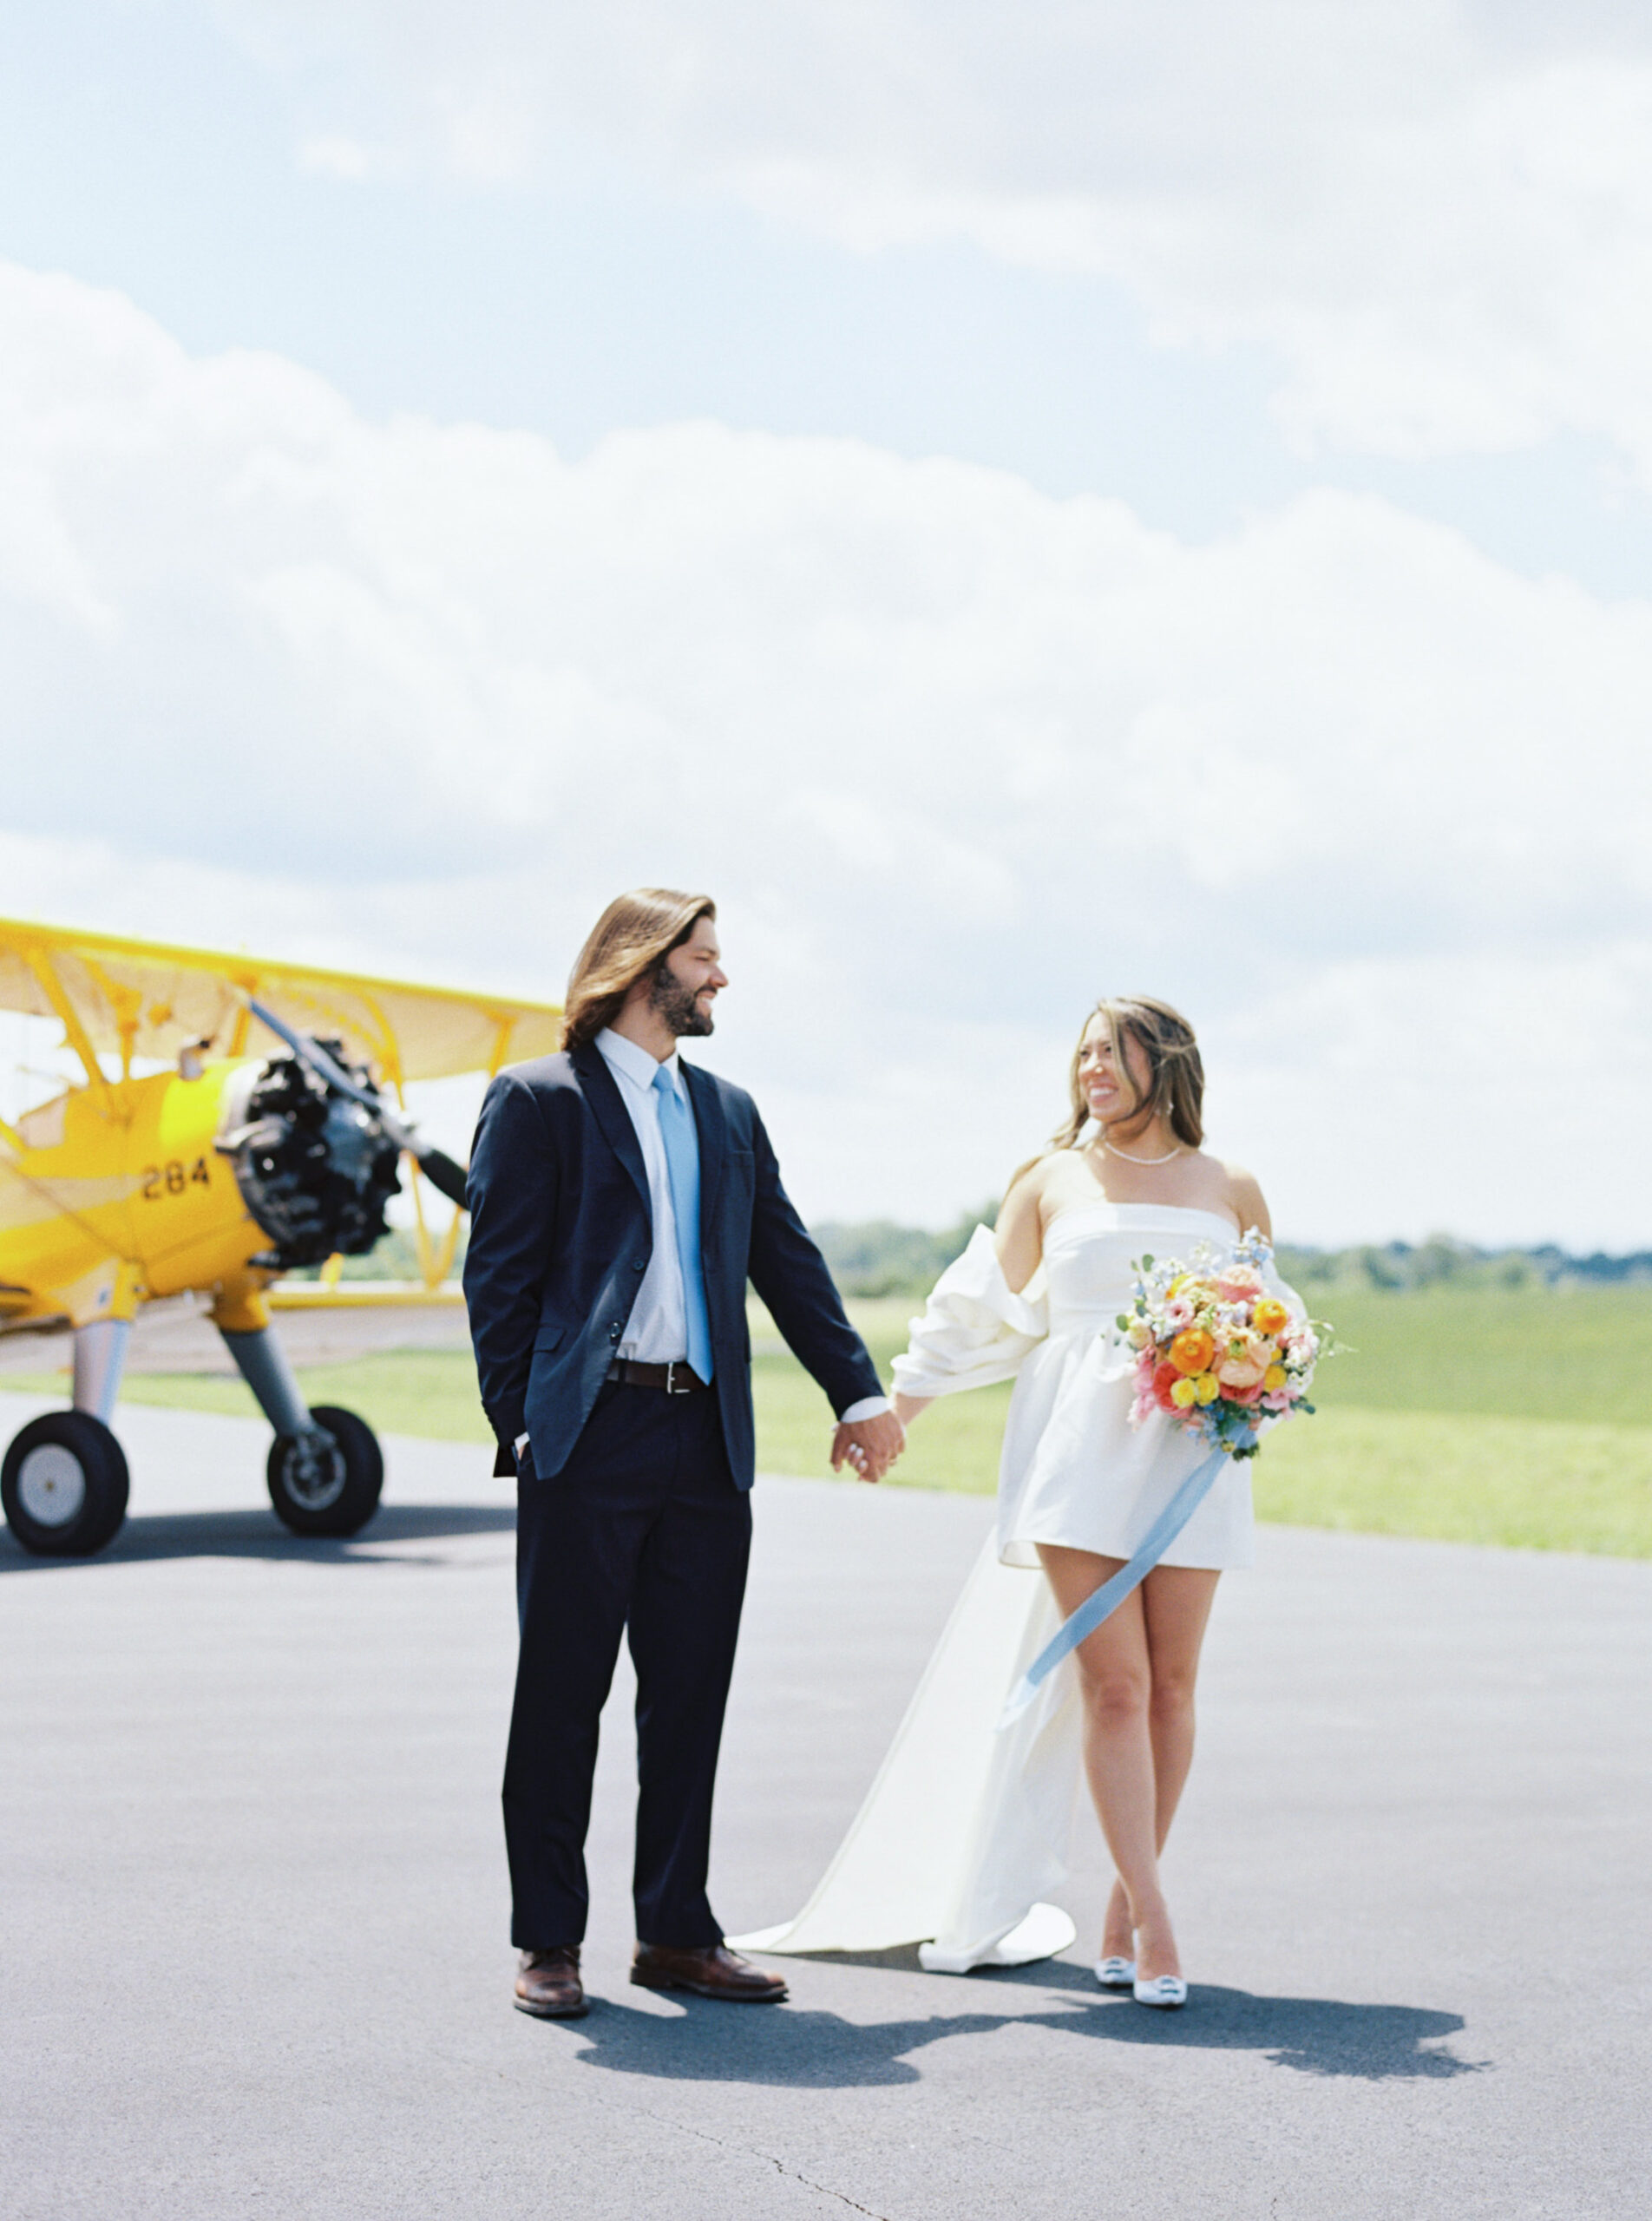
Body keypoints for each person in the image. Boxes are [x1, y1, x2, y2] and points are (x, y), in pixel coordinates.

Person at [738, 996, 1302, 2011]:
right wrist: (891, 1410)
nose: (1092, 1069)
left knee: (1171, 1689)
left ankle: (1125, 1902)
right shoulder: (1047, 1179)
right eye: (1083, 1053)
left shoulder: (1232, 1185)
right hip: (1075, 1458)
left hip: (1192, 1455)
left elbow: (1275, 1315)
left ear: (1166, 1062)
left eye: (1112, 1053)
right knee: (1115, 1686)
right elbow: (976, 1312)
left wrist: (1257, 1362)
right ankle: (1158, 1916)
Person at [464, 888, 905, 2021]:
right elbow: (497, 1280)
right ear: (641, 965)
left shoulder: (726, 1111)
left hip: (706, 1440)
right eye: (705, 957)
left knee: (689, 1698)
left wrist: (857, 1392)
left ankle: (673, 1932)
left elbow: (786, 1260)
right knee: (561, 1696)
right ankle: (548, 1940)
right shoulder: (539, 1099)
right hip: (588, 1435)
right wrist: (522, 1422)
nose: (721, 977)